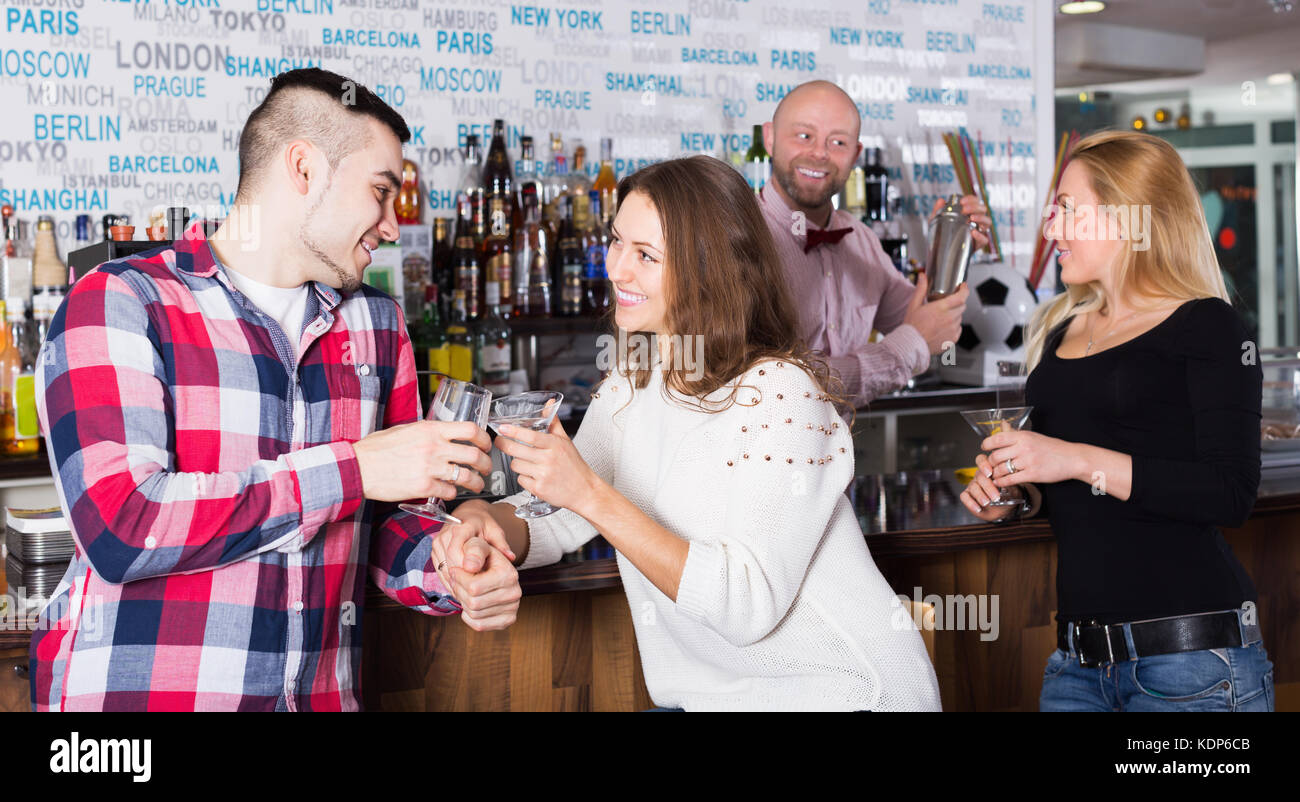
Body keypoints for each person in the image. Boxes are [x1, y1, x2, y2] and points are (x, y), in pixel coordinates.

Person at [30, 68, 521, 711]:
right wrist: (354, 468)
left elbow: (381, 524)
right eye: (381, 191)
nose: (393, 224)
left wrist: (448, 560)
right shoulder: (120, 301)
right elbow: (125, 527)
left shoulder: (376, 323)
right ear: (305, 169)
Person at [432, 156, 941, 711]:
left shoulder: (781, 393)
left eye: (646, 255)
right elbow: (556, 517)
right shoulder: (634, 381)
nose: (617, 270)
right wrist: (481, 521)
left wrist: (585, 491)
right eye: (617, 242)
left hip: (845, 694)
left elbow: (744, 605)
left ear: (710, 270)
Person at [958, 130, 1273, 712]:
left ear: (1131, 217)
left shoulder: (1208, 326)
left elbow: (1230, 494)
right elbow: (1069, 493)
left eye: (1068, 210)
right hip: (1077, 664)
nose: (1052, 229)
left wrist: (1071, 456)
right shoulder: (1061, 331)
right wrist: (1017, 493)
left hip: (1192, 662)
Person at [757, 80, 992, 406]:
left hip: (840, 456)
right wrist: (906, 348)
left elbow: (930, 325)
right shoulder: (733, 240)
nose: (820, 153)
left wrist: (950, 247)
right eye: (804, 136)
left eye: (837, 142)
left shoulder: (861, 240)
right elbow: (784, 391)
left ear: (855, 155)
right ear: (769, 138)